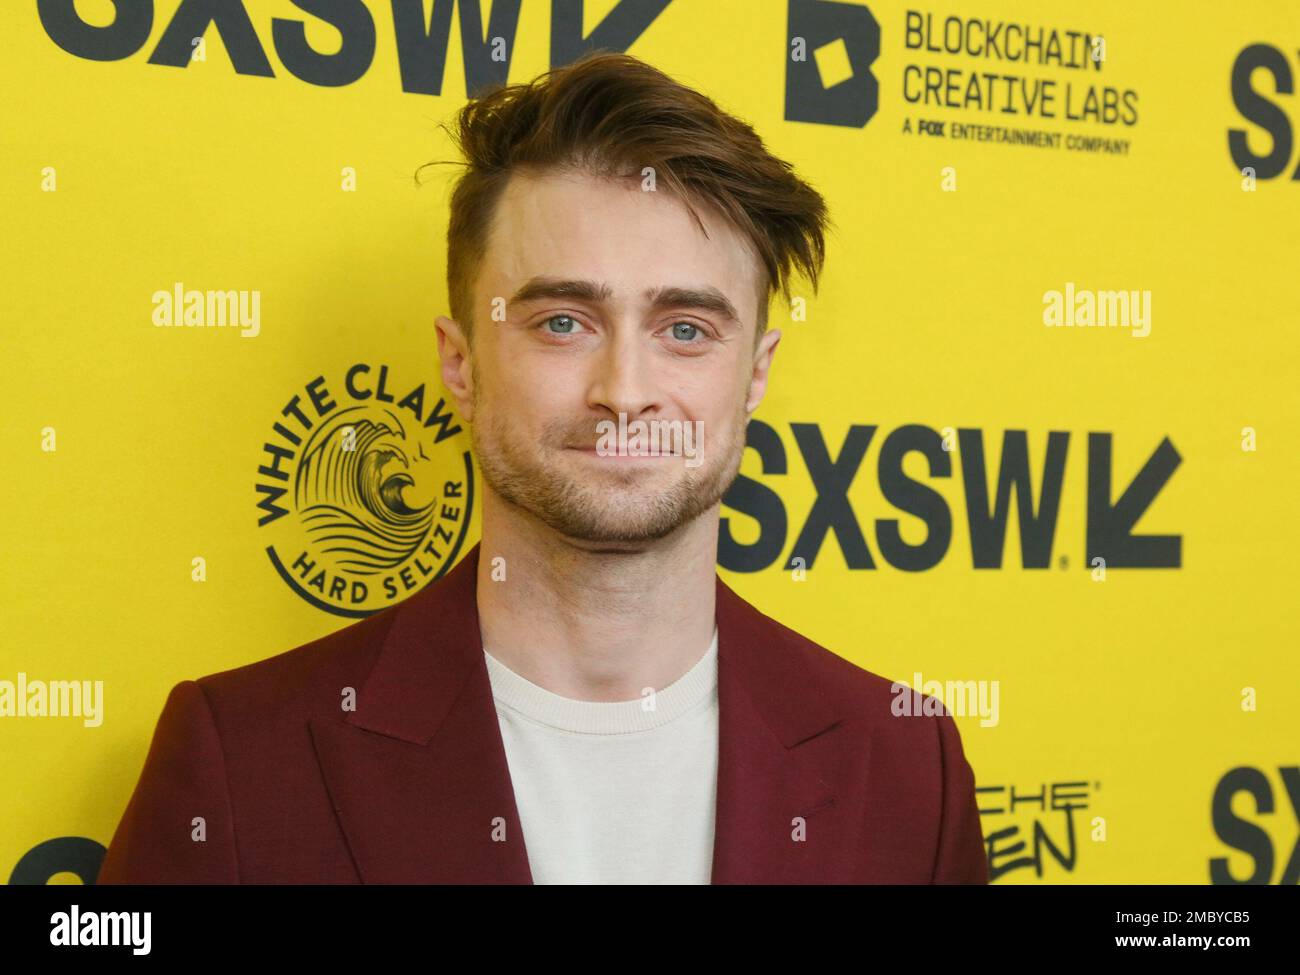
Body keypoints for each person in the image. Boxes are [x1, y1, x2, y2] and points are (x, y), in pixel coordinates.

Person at [98, 51, 988, 885]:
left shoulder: (907, 764)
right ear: (459, 362)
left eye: (686, 329)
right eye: (563, 321)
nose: (624, 392)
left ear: (755, 374)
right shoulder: (241, 763)